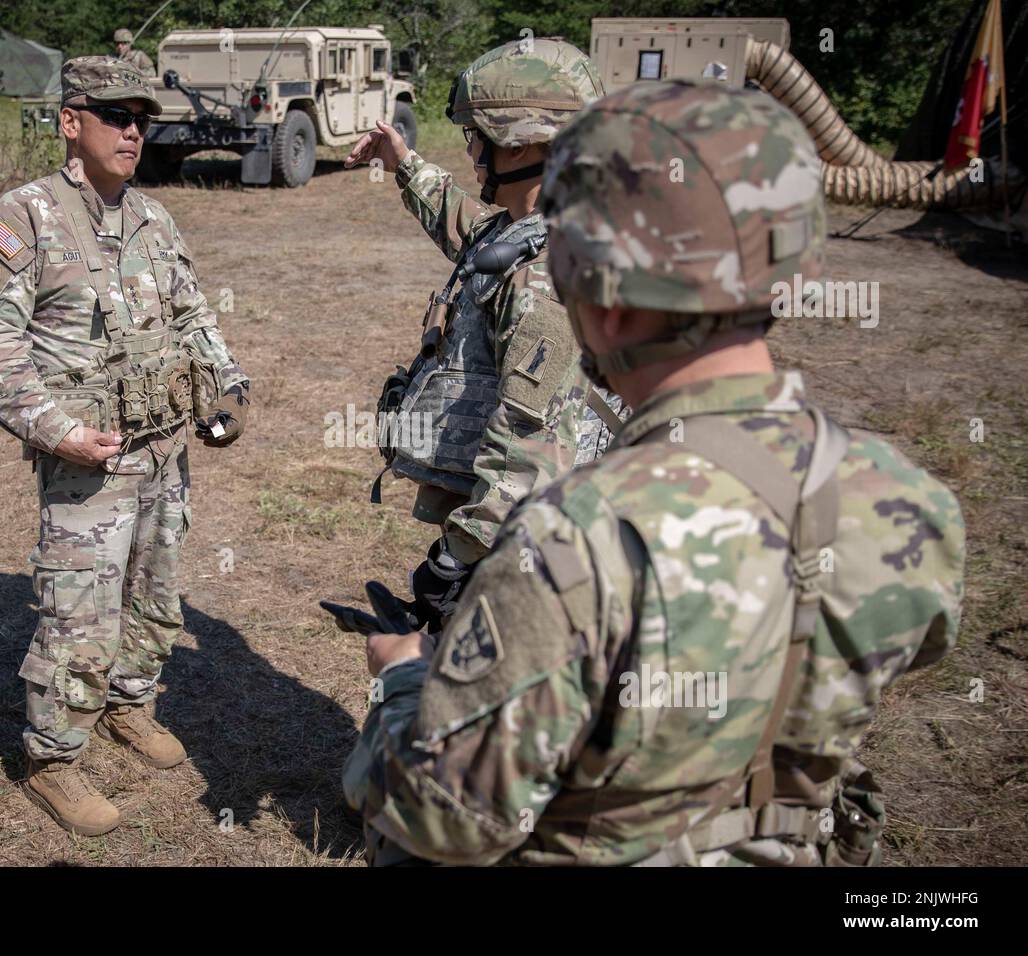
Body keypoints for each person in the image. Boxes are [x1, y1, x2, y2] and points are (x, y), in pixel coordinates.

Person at [343, 79, 966, 866]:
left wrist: (402, 683)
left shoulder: (572, 544)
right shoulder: (910, 503)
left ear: (602, 301)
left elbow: (443, 821)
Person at [0, 56, 249, 836]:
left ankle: (131, 704)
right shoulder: (23, 217)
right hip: (88, 460)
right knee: (79, 610)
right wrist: (63, 435)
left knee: (156, 594)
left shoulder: (156, 219)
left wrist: (228, 386)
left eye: (142, 119)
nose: (133, 131)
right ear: (70, 121)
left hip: (164, 451)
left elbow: (195, 316)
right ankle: (53, 759)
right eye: (116, 115)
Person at [343, 38, 626, 636]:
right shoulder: (535, 233)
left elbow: (533, 446)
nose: (471, 147)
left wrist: (454, 561)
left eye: (477, 133)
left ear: (521, 141)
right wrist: (405, 164)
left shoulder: (548, 275)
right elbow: (472, 235)